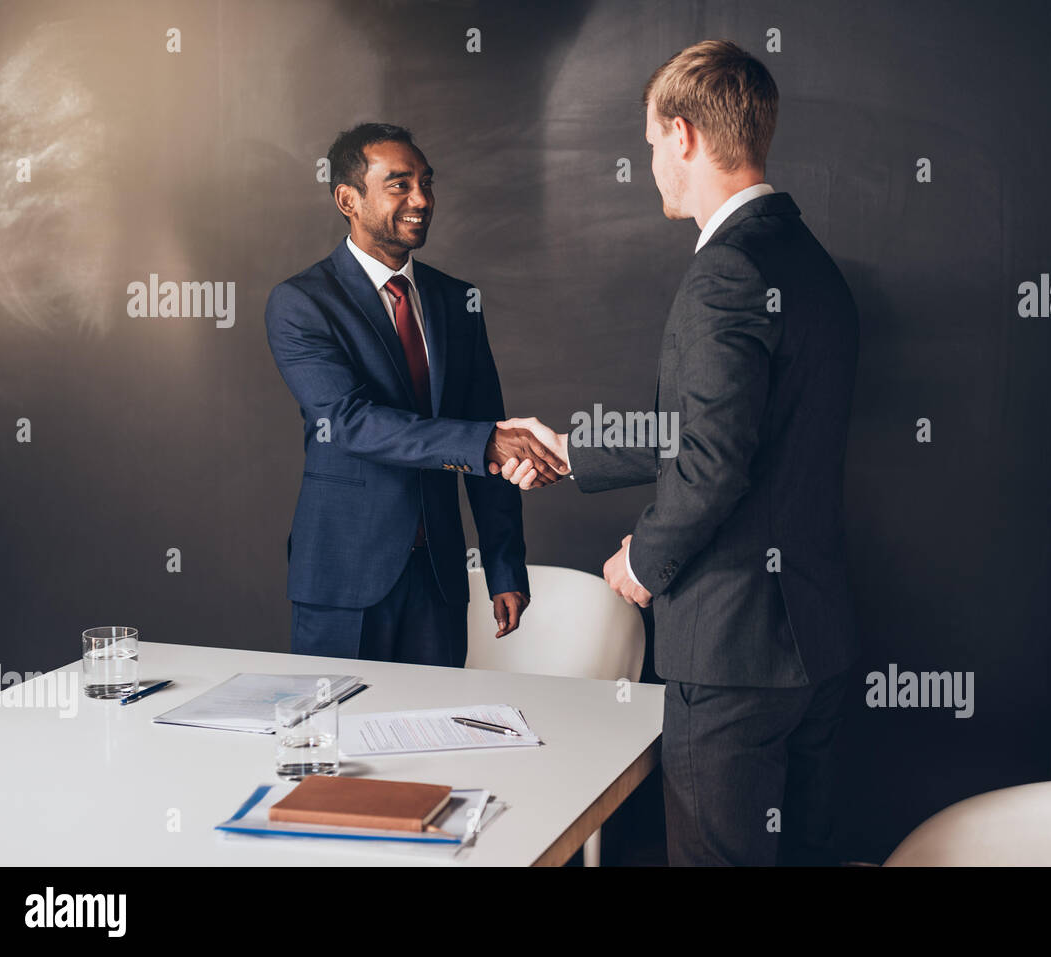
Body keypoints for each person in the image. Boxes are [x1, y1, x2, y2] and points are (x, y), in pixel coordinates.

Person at [496, 41, 861, 865]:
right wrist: (573, 449)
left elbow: (714, 462)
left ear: (684, 133)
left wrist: (644, 562)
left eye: (651, 143)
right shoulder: (808, 263)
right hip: (816, 645)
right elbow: (722, 428)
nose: (650, 160)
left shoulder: (725, 270)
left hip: (734, 656)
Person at [265, 123, 567, 666]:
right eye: (399, 184)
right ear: (347, 199)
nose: (422, 200)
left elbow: (488, 427)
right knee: (338, 737)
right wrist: (488, 443)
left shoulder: (458, 300)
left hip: (439, 579)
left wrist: (503, 567)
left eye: (426, 183)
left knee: (435, 739)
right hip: (343, 578)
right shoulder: (301, 303)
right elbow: (350, 422)